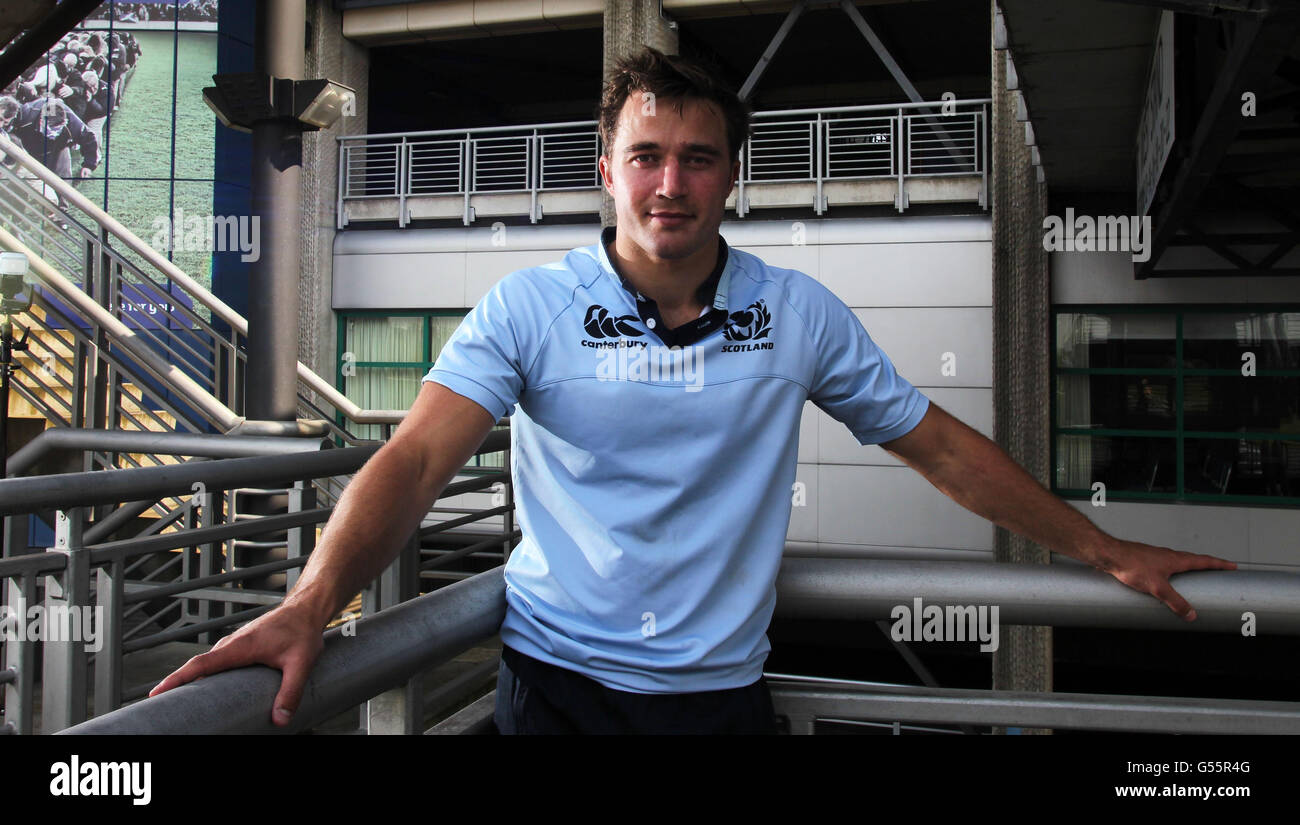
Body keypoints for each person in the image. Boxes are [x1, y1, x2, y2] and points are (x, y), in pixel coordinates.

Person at [151, 47, 1236, 734]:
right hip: (550, 688)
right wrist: (310, 606)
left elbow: (941, 449)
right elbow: (416, 460)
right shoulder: (528, 307)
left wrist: (1101, 548)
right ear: (606, 167)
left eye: (700, 158)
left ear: (734, 174)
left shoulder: (798, 312)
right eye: (647, 155)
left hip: (714, 700)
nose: (671, 184)